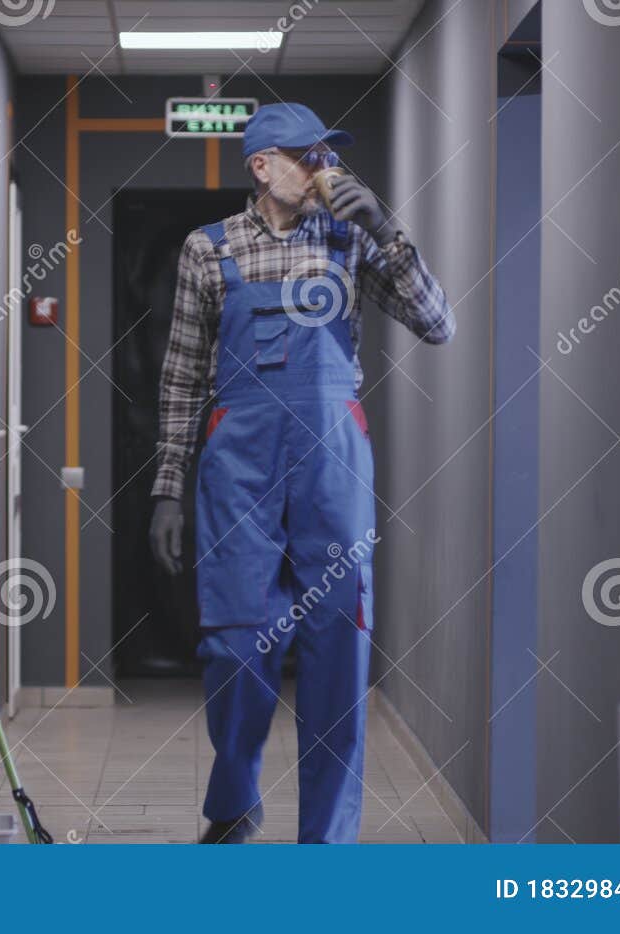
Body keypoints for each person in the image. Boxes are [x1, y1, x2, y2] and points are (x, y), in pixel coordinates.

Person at [149, 102, 454, 843]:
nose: (324, 168)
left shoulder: (350, 240)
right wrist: (168, 485)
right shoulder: (207, 250)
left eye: (328, 155)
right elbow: (182, 375)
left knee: (338, 644)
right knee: (234, 644)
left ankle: (326, 844)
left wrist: (387, 230)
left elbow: (437, 323)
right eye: (307, 156)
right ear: (262, 166)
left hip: (332, 458)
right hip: (239, 463)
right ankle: (234, 800)